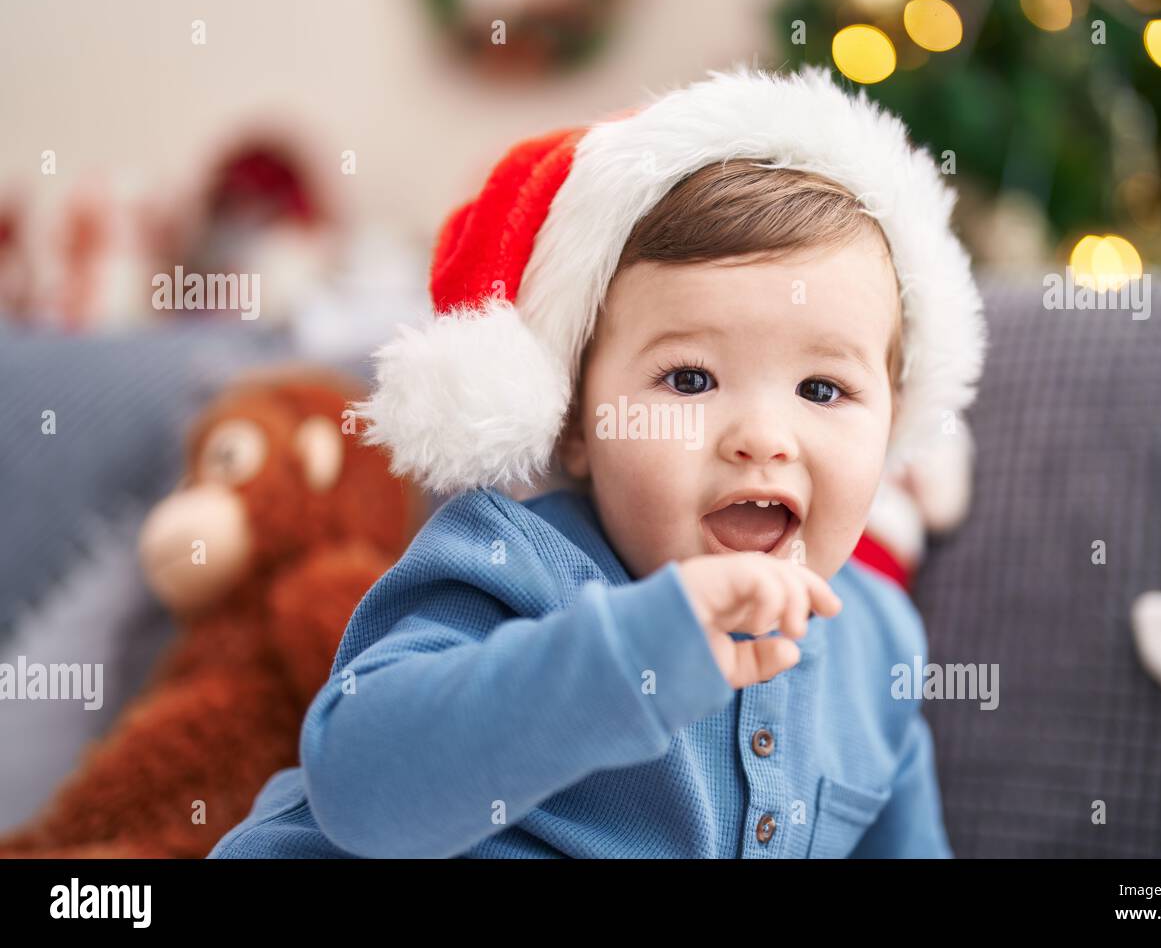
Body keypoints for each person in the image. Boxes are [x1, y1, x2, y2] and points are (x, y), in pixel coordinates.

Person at [209, 63, 986, 859]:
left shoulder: (880, 642)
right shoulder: (511, 562)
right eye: (690, 379)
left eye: (822, 388)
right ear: (578, 423)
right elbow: (358, 785)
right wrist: (632, 656)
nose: (763, 437)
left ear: (896, 423)